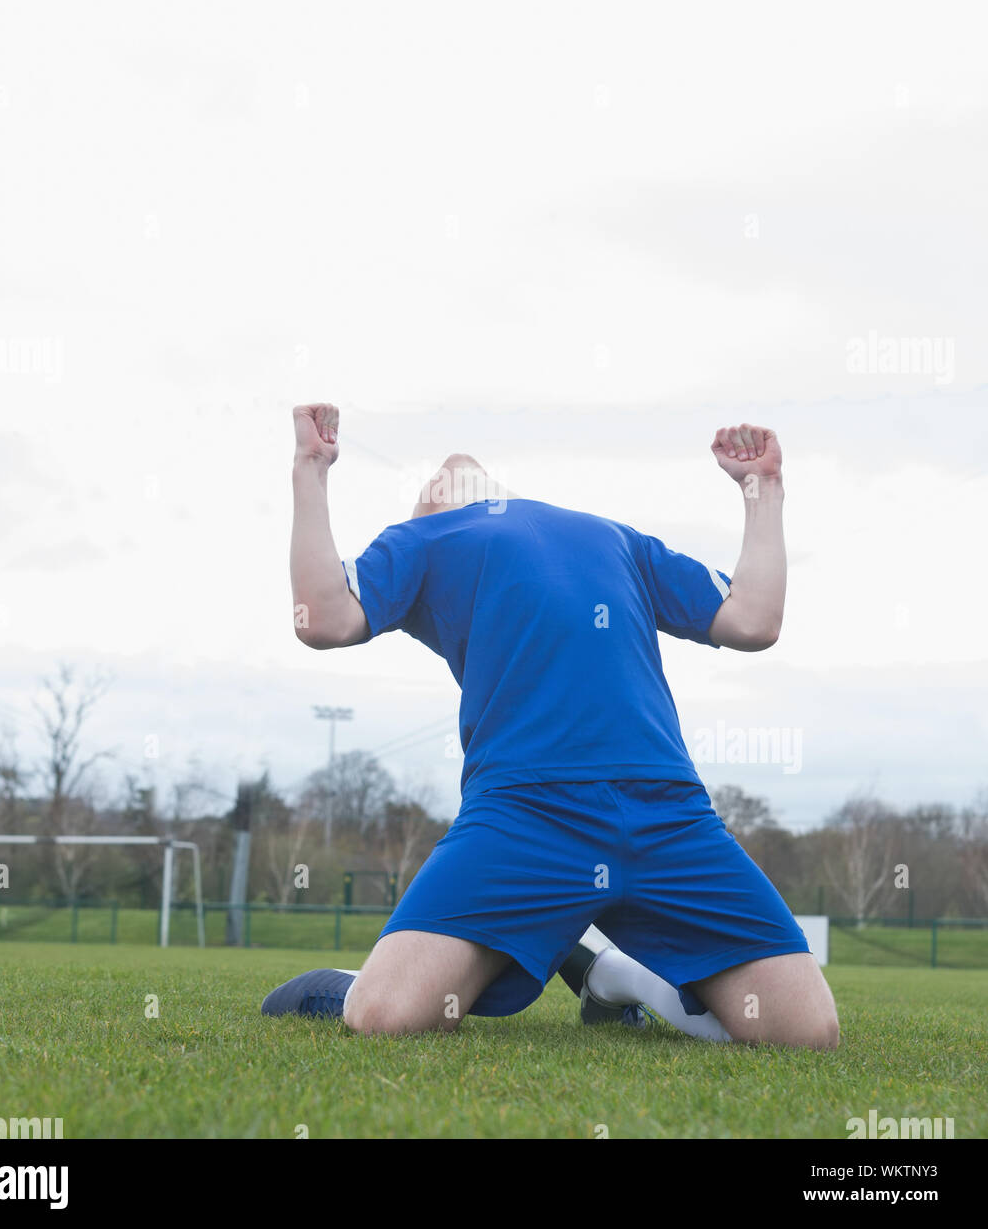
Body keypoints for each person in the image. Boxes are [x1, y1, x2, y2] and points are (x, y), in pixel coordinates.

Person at [266, 403, 839, 1050]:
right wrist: (760, 488)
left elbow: (321, 616)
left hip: (665, 811)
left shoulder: (582, 538)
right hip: (524, 812)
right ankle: (405, 977)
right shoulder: (460, 540)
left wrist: (310, 470)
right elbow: (754, 621)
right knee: (387, 1013)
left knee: (805, 1034)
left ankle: (612, 973)